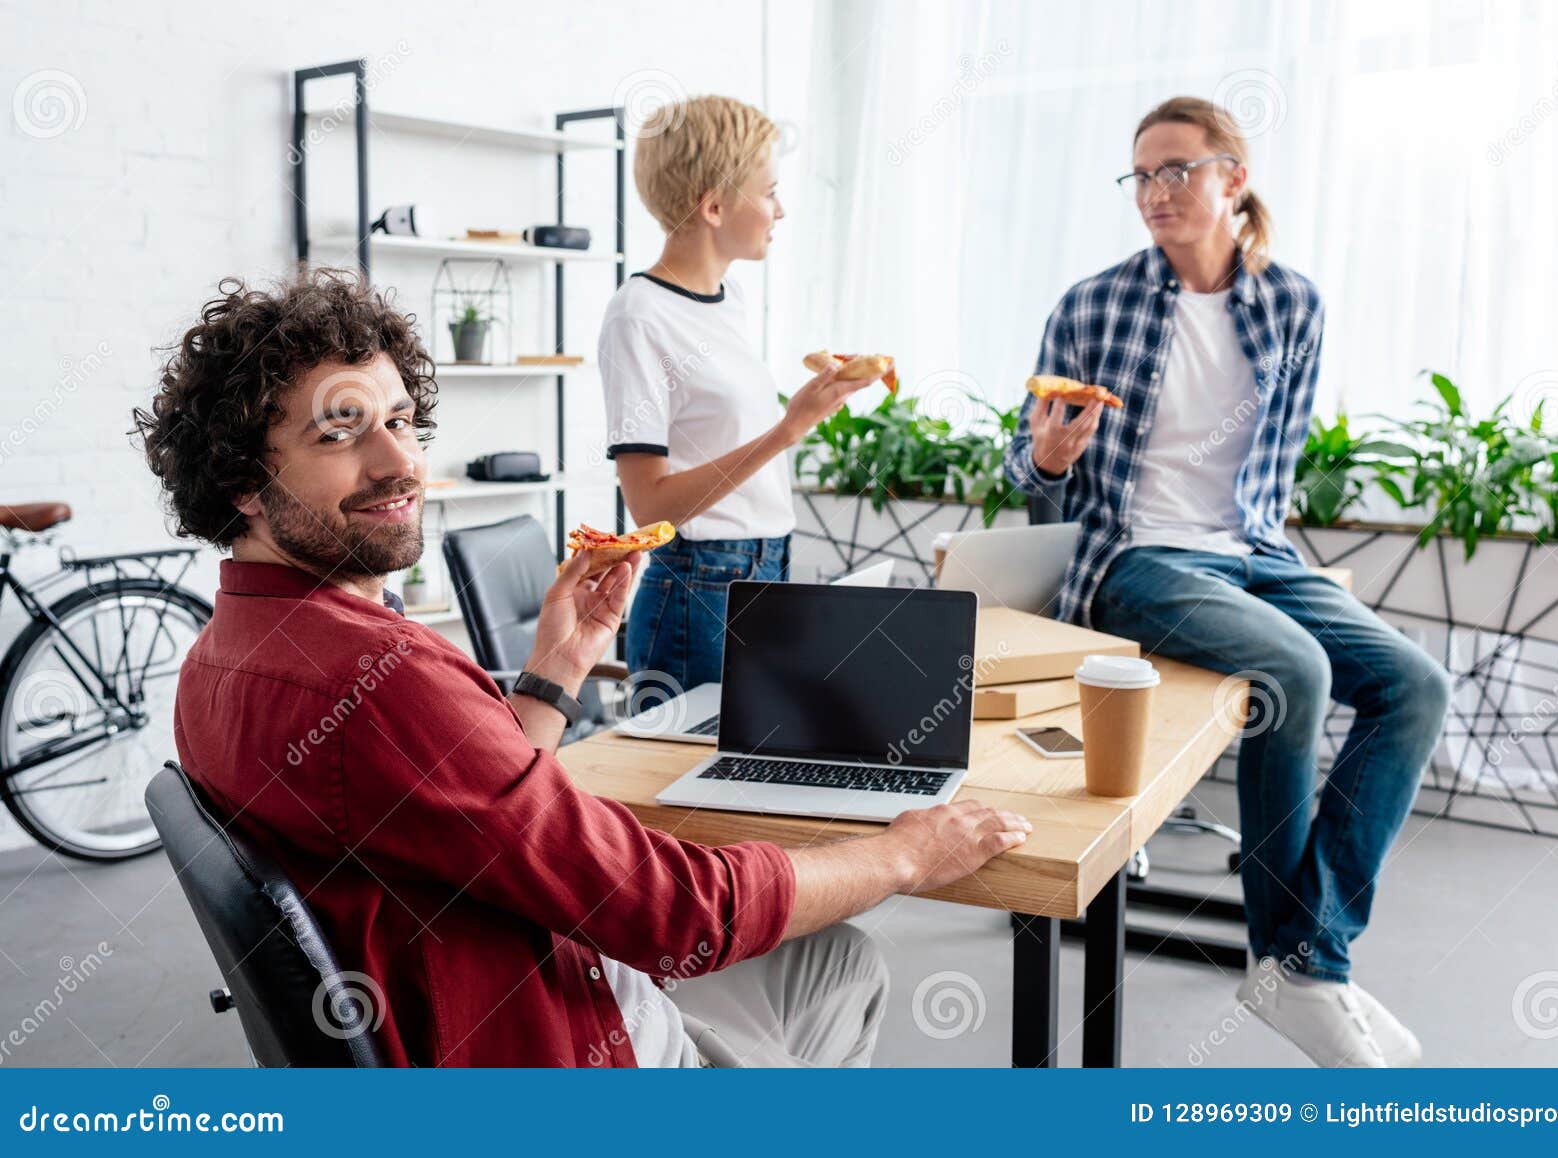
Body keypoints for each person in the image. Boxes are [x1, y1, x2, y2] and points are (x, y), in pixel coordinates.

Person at [134, 269, 1029, 1067]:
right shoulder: (377, 676)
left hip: (480, 997)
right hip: (547, 1041)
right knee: (846, 963)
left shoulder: (218, 660)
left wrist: (556, 670)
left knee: (826, 953)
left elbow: (462, 817)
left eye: (401, 421)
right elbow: (681, 915)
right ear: (242, 483)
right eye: (340, 434)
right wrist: (908, 855)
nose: (400, 461)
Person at [1004, 97, 1450, 1068]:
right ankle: (1298, 964)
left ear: (1230, 180)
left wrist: (1270, 561)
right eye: (1141, 177)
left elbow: (1270, 475)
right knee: (1293, 669)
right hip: (1134, 560)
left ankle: (1304, 960)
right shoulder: (1089, 305)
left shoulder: (1293, 306)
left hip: (1251, 551)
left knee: (1416, 686)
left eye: (1176, 171)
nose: (1155, 193)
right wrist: (1043, 458)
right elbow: (1029, 473)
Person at [598, 94, 887, 692]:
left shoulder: (731, 301)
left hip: (769, 570)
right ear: (714, 205)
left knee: (763, 772)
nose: (779, 210)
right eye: (770, 190)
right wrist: (788, 430)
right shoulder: (639, 316)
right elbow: (649, 509)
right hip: (700, 591)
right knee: (679, 784)